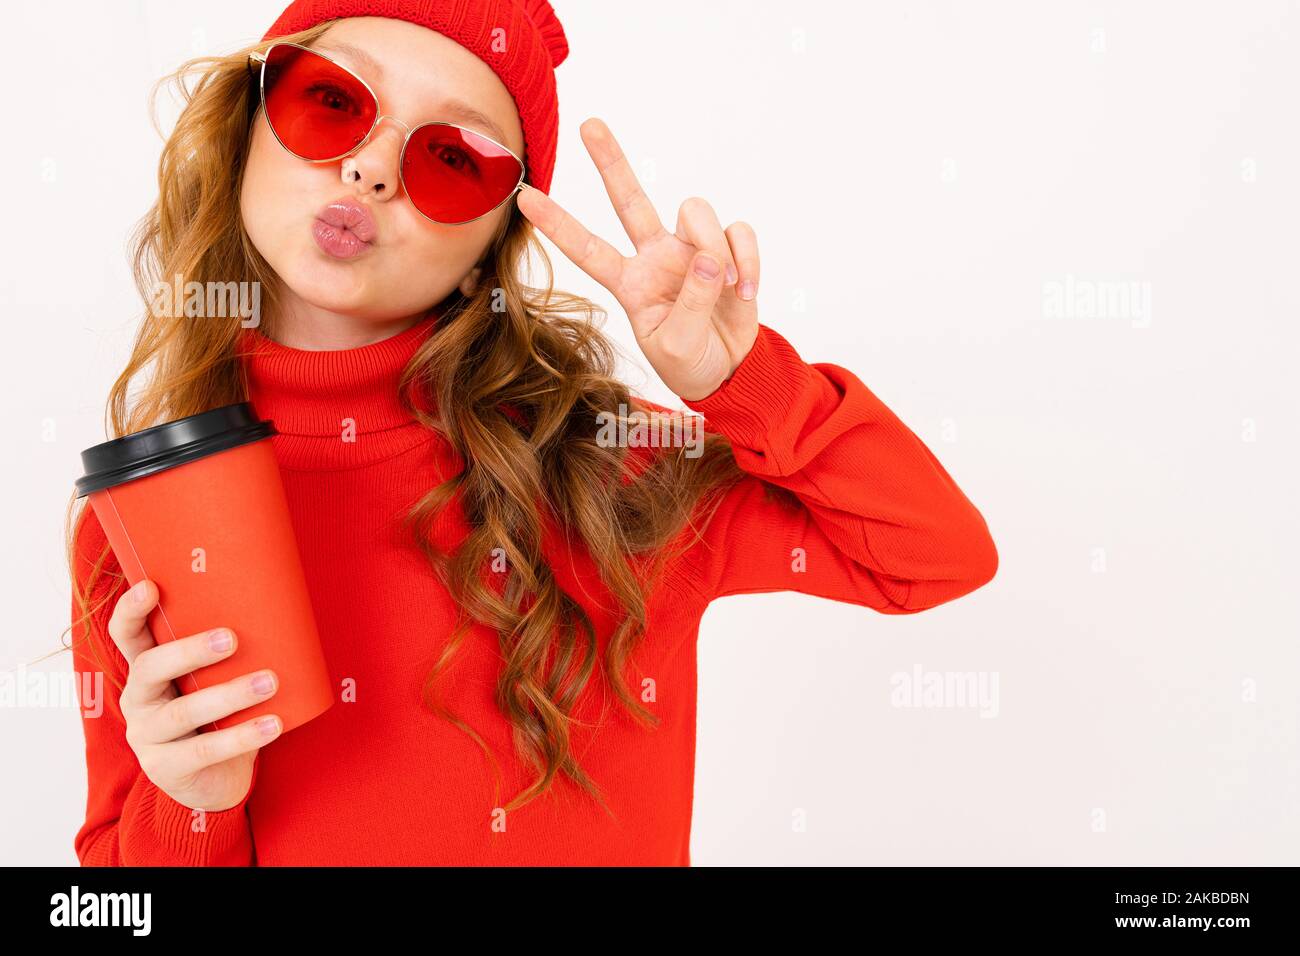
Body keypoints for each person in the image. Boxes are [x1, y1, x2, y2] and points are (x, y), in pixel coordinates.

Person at [65, 0, 998, 866]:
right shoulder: (147, 516)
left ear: (490, 254)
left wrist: (743, 385)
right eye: (330, 102)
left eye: (452, 160)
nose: (374, 168)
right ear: (243, 133)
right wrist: (191, 800)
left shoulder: (614, 466)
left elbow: (933, 558)